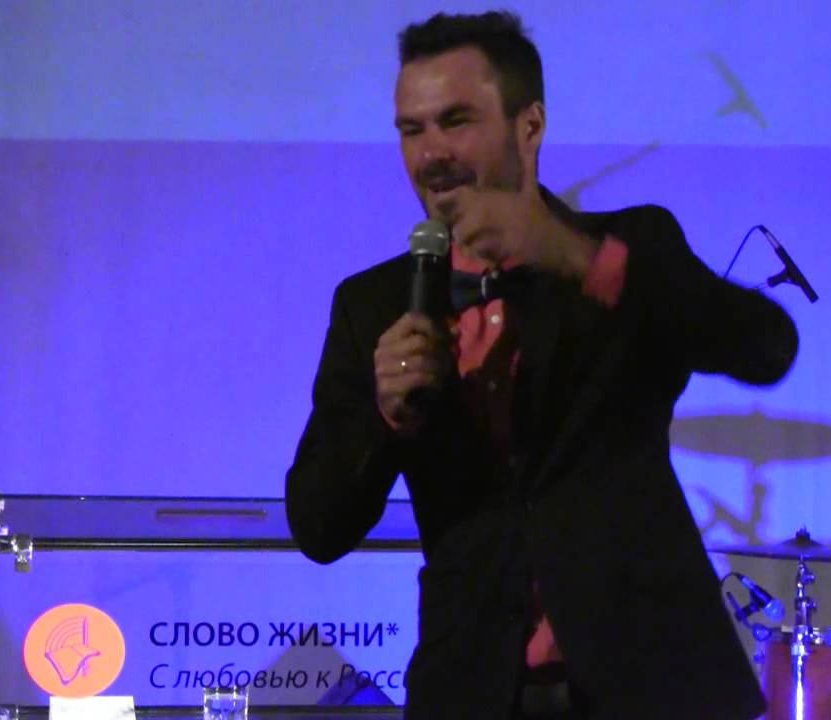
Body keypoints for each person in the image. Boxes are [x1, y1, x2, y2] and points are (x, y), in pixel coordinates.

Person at [285, 11, 798, 719]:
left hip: (654, 689)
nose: (430, 154)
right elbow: (316, 526)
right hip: (472, 694)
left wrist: (578, 258)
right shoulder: (372, 304)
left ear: (529, 124)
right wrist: (386, 415)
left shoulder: (629, 246)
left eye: (455, 121)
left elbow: (766, 347)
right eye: (411, 130)